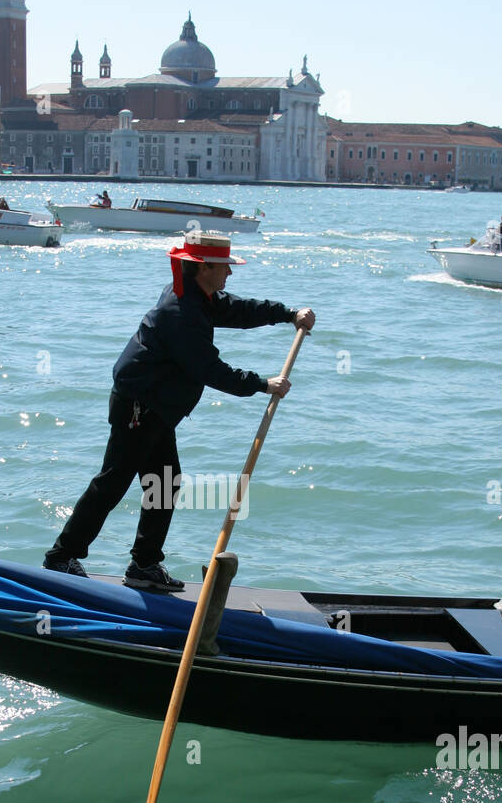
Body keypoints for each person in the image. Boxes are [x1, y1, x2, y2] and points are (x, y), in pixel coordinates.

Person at [43, 229, 316, 592]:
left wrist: (287, 314)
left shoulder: (197, 296)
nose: (230, 273)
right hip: (139, 406)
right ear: (203, 268)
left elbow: (236, 309)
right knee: (113, 481)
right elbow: (209, 369)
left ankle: (144, 564)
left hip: (158, 407)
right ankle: (61, 557)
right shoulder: (181, 312)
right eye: (224, 267)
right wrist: (262, 384)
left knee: (165, 483)